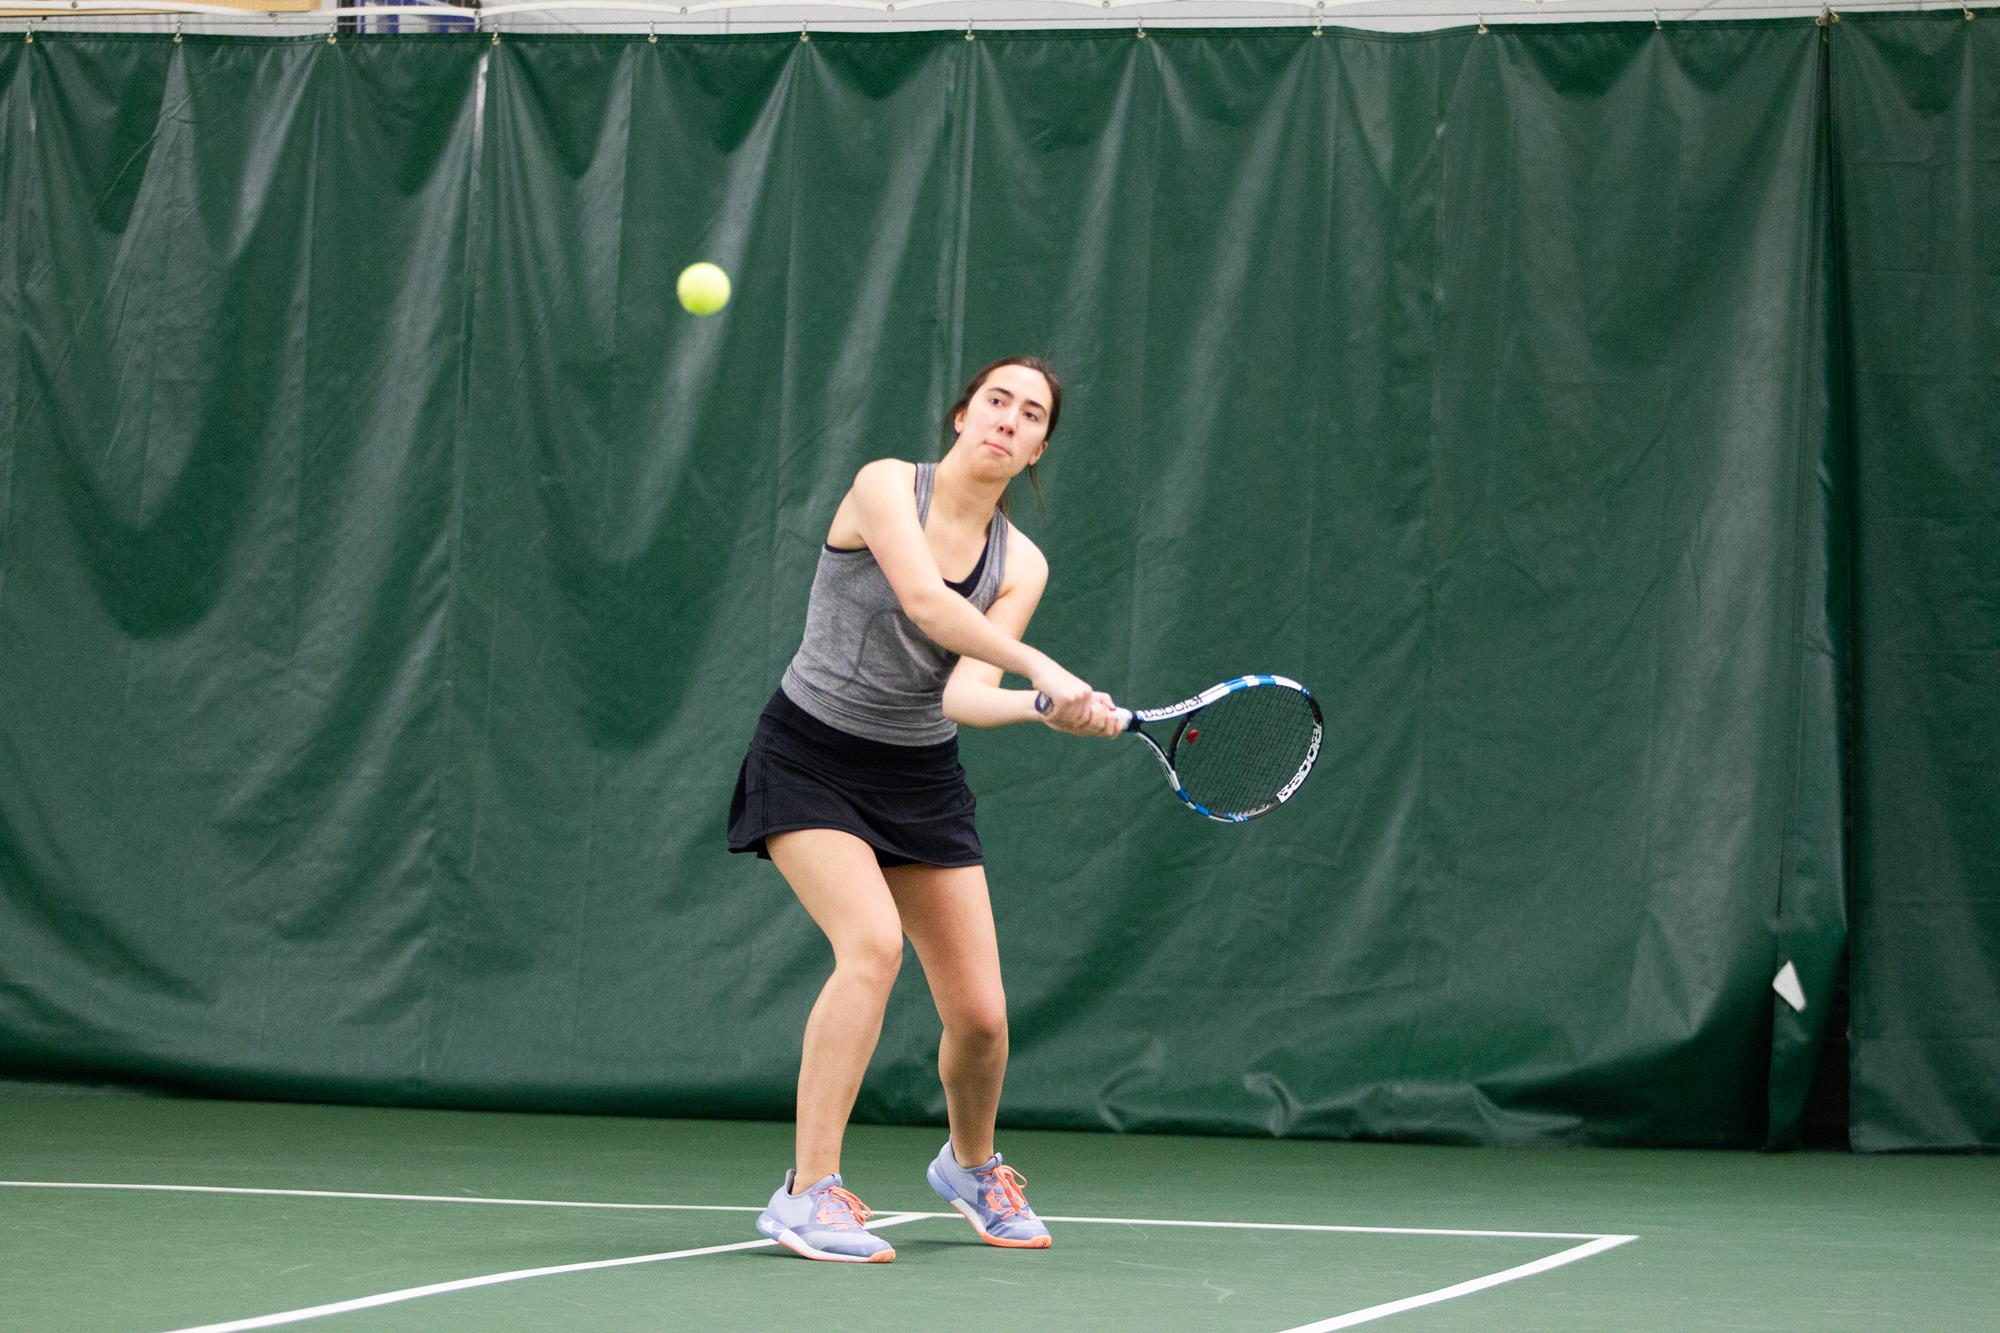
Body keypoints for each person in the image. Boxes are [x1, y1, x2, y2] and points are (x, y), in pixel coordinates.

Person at [728, 356, 1122, 1264]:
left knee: (982, 1015)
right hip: (810, 755)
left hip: (920, 776)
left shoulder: (1021, 562)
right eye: (997, 401)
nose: (1009, 420)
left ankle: (971, 1166)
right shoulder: (881, 487)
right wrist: (1047, 670)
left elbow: (960, 695)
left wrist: (1039, 707)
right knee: (870, 945)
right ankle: (806, 1191)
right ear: (960, 413)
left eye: (1031, 416)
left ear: (1038, 450)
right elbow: (924, 605)